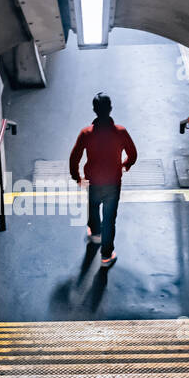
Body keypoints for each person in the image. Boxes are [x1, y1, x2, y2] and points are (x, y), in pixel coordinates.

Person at [68, 92, 137, 268]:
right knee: (109, 219)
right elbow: (133, 154)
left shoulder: (86, 133)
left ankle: (95, 233)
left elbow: (74, 157)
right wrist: (125, 165)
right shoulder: (120, 132)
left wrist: (77, 177)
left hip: (93, 180)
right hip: (113, 183)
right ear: (110, 109)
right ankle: (106, 256)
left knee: (92, 206)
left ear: (94, 110)